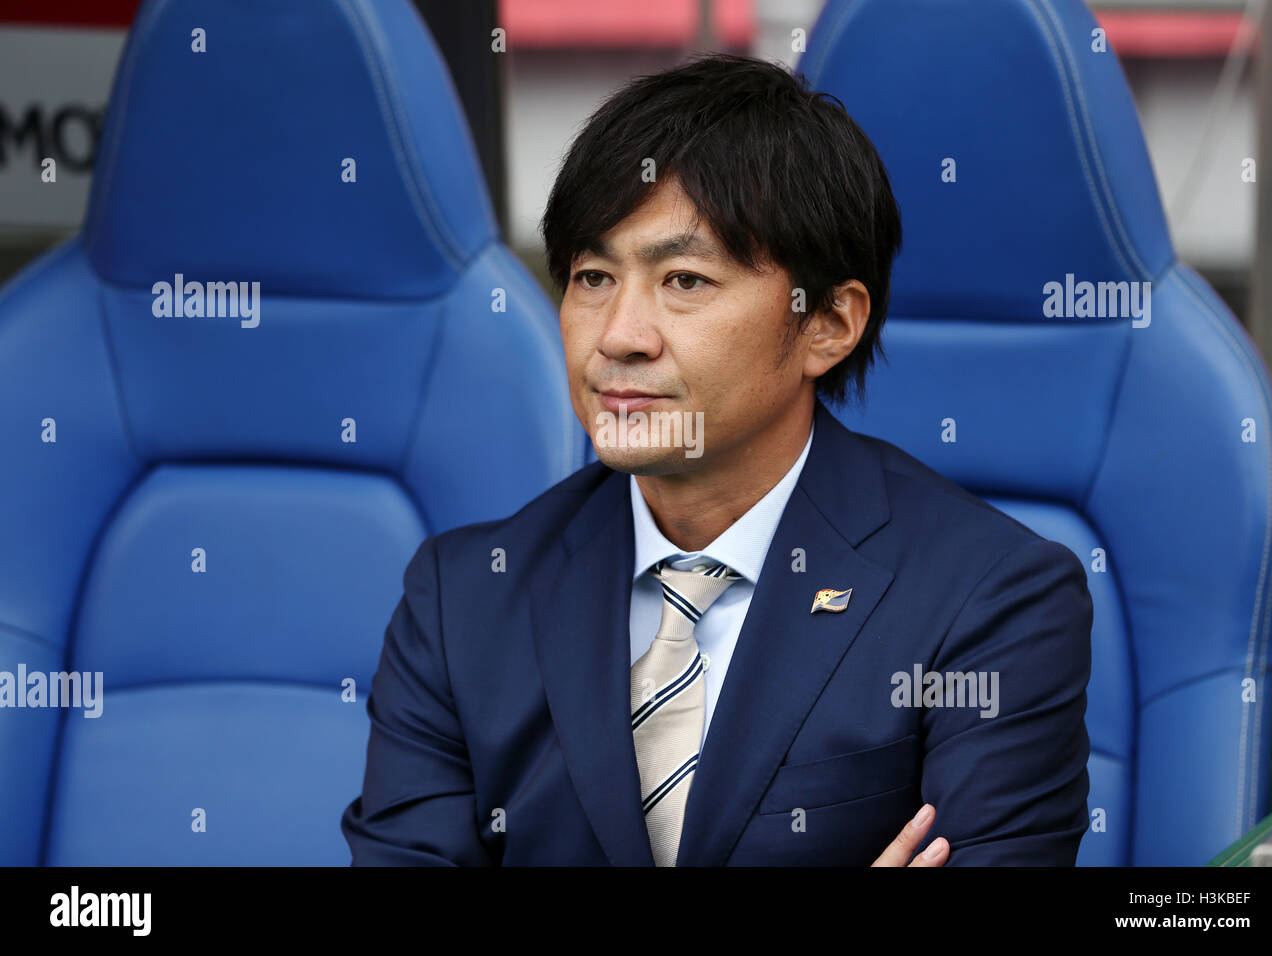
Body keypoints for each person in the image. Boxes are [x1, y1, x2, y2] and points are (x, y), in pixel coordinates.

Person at [341, 53, 1091, 866]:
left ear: (827, 324)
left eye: (685, 280)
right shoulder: (462, 601)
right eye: (592, 276)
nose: (619, 335)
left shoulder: (990, 600)